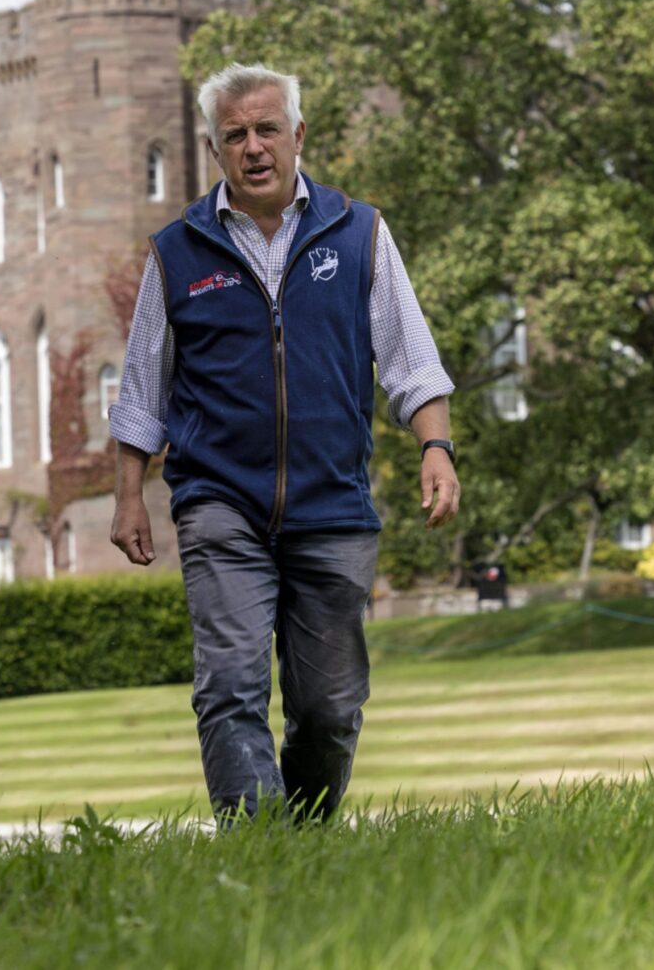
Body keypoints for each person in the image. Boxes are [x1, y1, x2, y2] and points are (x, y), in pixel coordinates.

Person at [108, 64, 462, 821]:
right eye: (235, 135)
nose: (254, 147)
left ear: (298, 135)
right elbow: (142, 387)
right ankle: (261, 845)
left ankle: (302, 839)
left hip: (331, 503)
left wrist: (437, 447)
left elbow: (411, 359)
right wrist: (129, 496)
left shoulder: (358, 230)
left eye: (268, 129)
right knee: (231, 685)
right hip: (218, 504)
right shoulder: (178, 252)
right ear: (215, 149)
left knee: (330, 706)